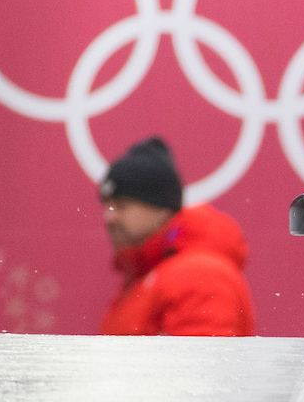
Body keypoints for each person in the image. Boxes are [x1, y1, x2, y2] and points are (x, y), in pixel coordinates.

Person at [99, 137, 255, 336]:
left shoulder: (198, 274)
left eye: (122, 206)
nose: (109, 216)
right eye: (107, 205)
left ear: (162, 209)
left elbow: (203, 365)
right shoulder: (146, 276)